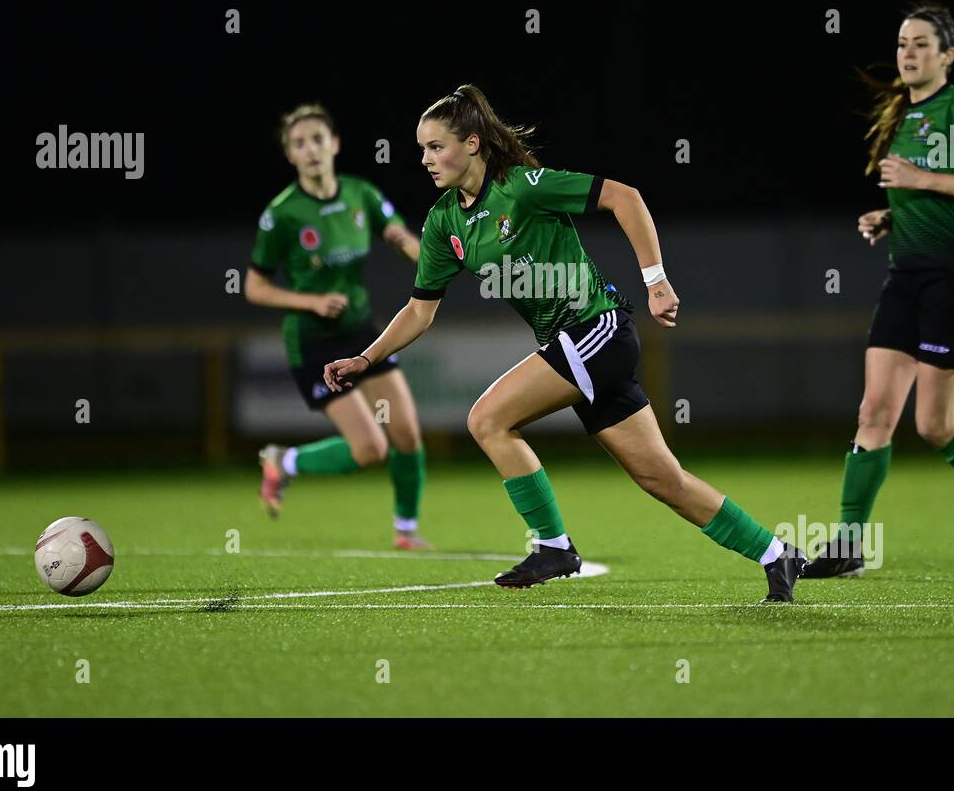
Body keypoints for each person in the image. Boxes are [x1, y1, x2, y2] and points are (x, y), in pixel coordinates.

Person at [323, 85, 807, 602]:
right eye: (421, 148)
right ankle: (779, 555)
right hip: (579, 347)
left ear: (472, 143)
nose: (424, 159)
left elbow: (626, 197)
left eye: (435, 146)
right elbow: (420, 310)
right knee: (663, 479)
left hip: (597, 329)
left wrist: (656, 279)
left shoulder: (523, 186)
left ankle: (554, 547)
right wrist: (367, 357)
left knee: (487, 419)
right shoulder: (445, 222)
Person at [804, 2, 954, 580]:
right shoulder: (902, 116)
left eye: (920, 44)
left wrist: (920, 180)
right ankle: (849, 544)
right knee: (874, 410)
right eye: (901, 44)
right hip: (904, 277)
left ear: (948, 55)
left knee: (935, 425)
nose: (907, 54)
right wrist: (891, 216)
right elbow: (929, 197)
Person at [246, 103, 431, 550]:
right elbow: (254, 286)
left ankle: (405, 531)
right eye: (298, 143)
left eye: (317, 139)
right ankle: (284, 461)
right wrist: (309, 300)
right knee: (370, 449)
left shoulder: (360, 194)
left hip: (361, 331)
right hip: (312, 341)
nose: (310, 149)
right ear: (290, 155)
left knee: (406, 432)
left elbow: (399, 235)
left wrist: (428, 256)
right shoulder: (282, 214)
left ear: (335, 144)